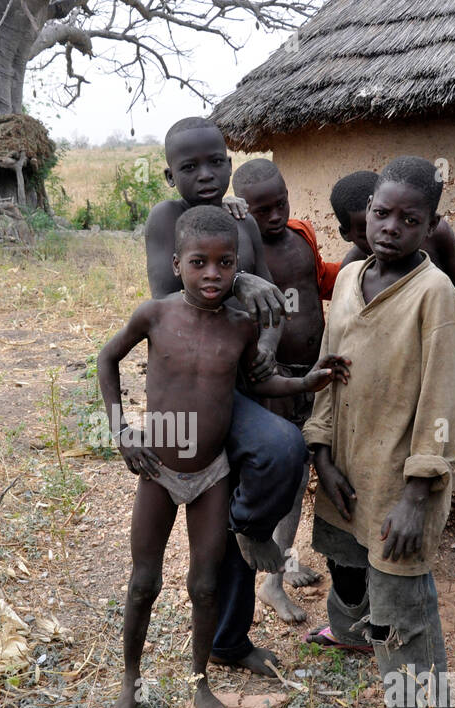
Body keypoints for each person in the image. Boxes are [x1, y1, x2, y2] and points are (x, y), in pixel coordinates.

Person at [100, 205, 348, 708]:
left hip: (211, 472)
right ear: (176, 263)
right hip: (161, 469)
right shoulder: (156, 315)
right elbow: (107, 359)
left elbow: (260, 384)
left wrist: (307, 384)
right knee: (143, 583)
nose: (213, 274)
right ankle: (130, 682)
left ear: (239, 265)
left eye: (224, 262)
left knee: (205, 584)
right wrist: (121, 431)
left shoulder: (240, 325)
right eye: (199, 263)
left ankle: (198, 680)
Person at [304, 157, 455, 708]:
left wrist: (417, 495)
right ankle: (349, 632)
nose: (390, 227)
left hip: (400, 479)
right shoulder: (348, 278)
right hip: (347, 460)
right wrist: (322, 451)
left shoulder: (435, 295)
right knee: (345, 556)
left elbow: (445, 401)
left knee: (401, 598)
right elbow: (328, 364)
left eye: (409, 218)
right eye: (380, 213)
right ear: (365, 213)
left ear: (431, 227)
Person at [144, 116, 307, 676]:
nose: (207, 174)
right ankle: (230, 610)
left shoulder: (241, 220)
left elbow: (270, 301)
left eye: (216, 162)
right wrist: (237, 282)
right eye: (190, 167)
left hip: (242, 379)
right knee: (275, 453)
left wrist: (266, 350)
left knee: (268, 469)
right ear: (171, 175)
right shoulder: (167, 219)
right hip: (195, 390)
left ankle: (231, 635)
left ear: (230, 163)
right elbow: (169, 298)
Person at [231, 157, 341, 623]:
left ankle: (285, 563)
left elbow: (319, 282)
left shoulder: (301, 235)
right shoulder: (241, 254)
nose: (275, 216)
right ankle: (271, 582)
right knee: (289, 478)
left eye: (281, 204)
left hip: (314, 374)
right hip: (274, 382)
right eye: (262, 211)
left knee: (311, 473)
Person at [330, 169, 455, 345]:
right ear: (346, 235)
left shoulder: (436, 237)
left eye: (407, 220)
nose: (385, 231)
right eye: (364, 232)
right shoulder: (351, 272)